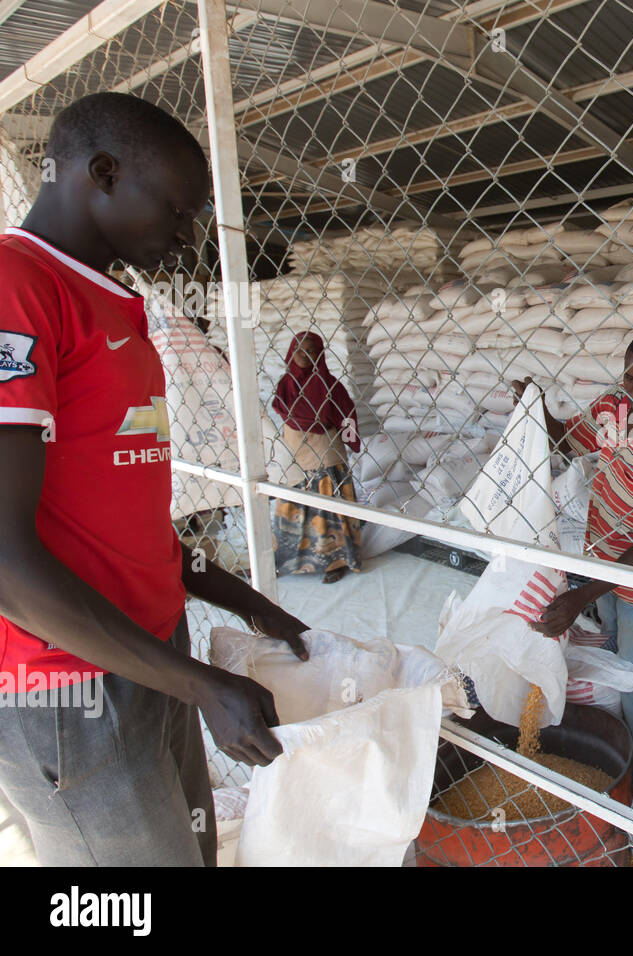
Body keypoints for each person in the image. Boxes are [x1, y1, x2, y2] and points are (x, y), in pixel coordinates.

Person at [0, 92, 311, 866]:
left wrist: (255, 608)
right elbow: (5, 562)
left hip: (150, 656)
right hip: (67, 684)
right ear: (102, 174)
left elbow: (126, 526)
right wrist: (204, 686)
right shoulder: (17, 286)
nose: (187, 232)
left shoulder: (119, 306)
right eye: (178, 208)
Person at [512, 330, 633, 799]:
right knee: (615, 664)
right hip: (601, 563)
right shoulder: (616, 403)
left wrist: (580, 595)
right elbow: (571, 440)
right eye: (629, 377)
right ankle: (618, 759)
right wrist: (536, 408)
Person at [270, 330, 363, 584]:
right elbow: (281, 409)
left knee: (328, 511)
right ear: (291, 351)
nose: (304, 354)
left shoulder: (328, 384)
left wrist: (349, 440)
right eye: (299, 348)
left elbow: (347, 413)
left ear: (319, 354)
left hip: (324, 451)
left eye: (311, 350)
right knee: (293, 506)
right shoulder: (285, 385)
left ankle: (336, 560)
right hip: (296, 451)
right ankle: (290, 559)